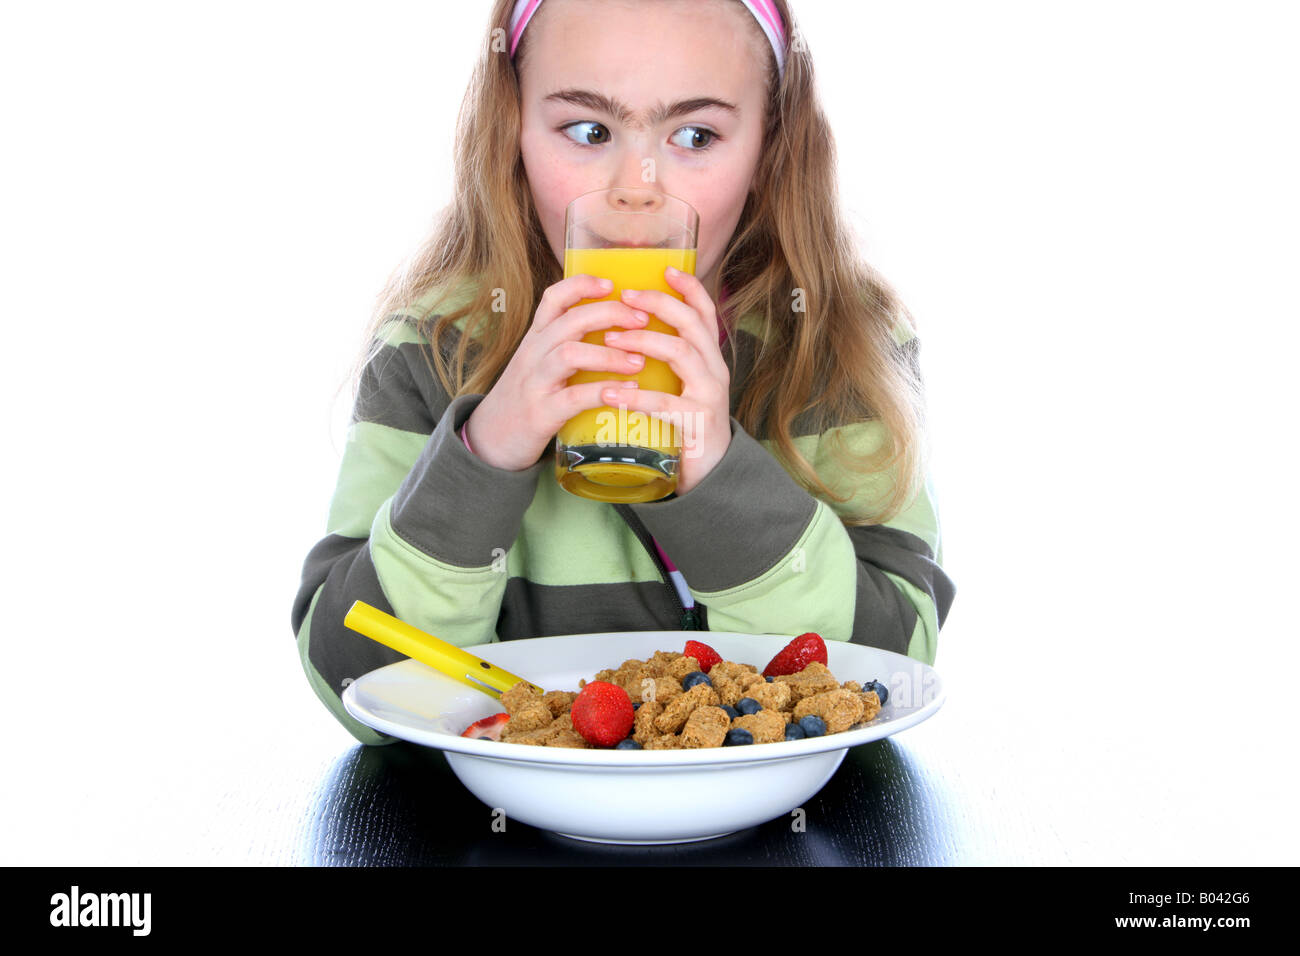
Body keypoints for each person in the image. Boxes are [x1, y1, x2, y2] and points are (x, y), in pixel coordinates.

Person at [292, 0, 955, 745]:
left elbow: (890, 676)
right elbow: (348, 678)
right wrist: (487, 451)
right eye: (589, 130)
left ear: (771, 147)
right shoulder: (432, 346)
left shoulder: (842, 345)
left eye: (695, 135)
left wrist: (720, 477)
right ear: (510, 132)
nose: (635, 186)